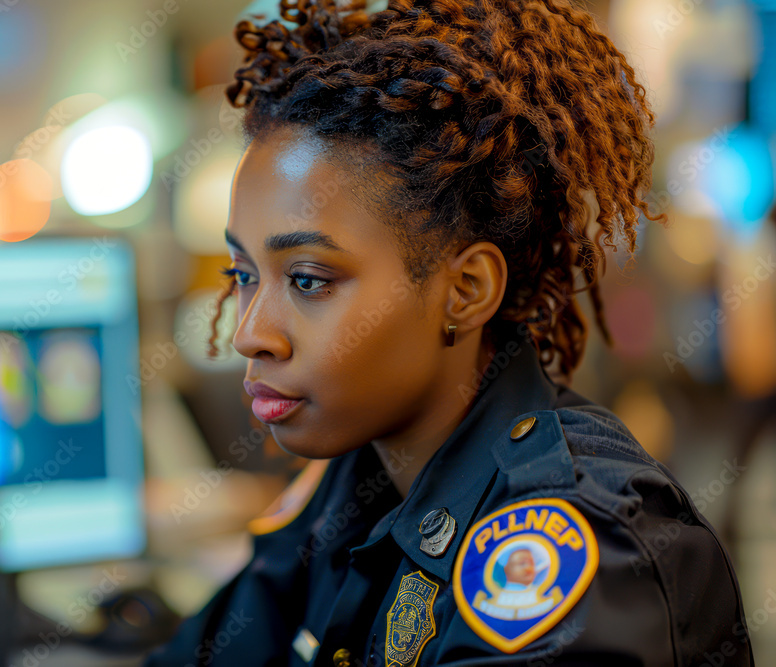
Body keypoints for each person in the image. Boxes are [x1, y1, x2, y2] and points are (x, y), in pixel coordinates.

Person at [144, 0, 755, 664]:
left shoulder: (569, 546)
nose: (251, 333)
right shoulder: (352, 480)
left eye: (310, 279)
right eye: (243, 273)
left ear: (465, 291)